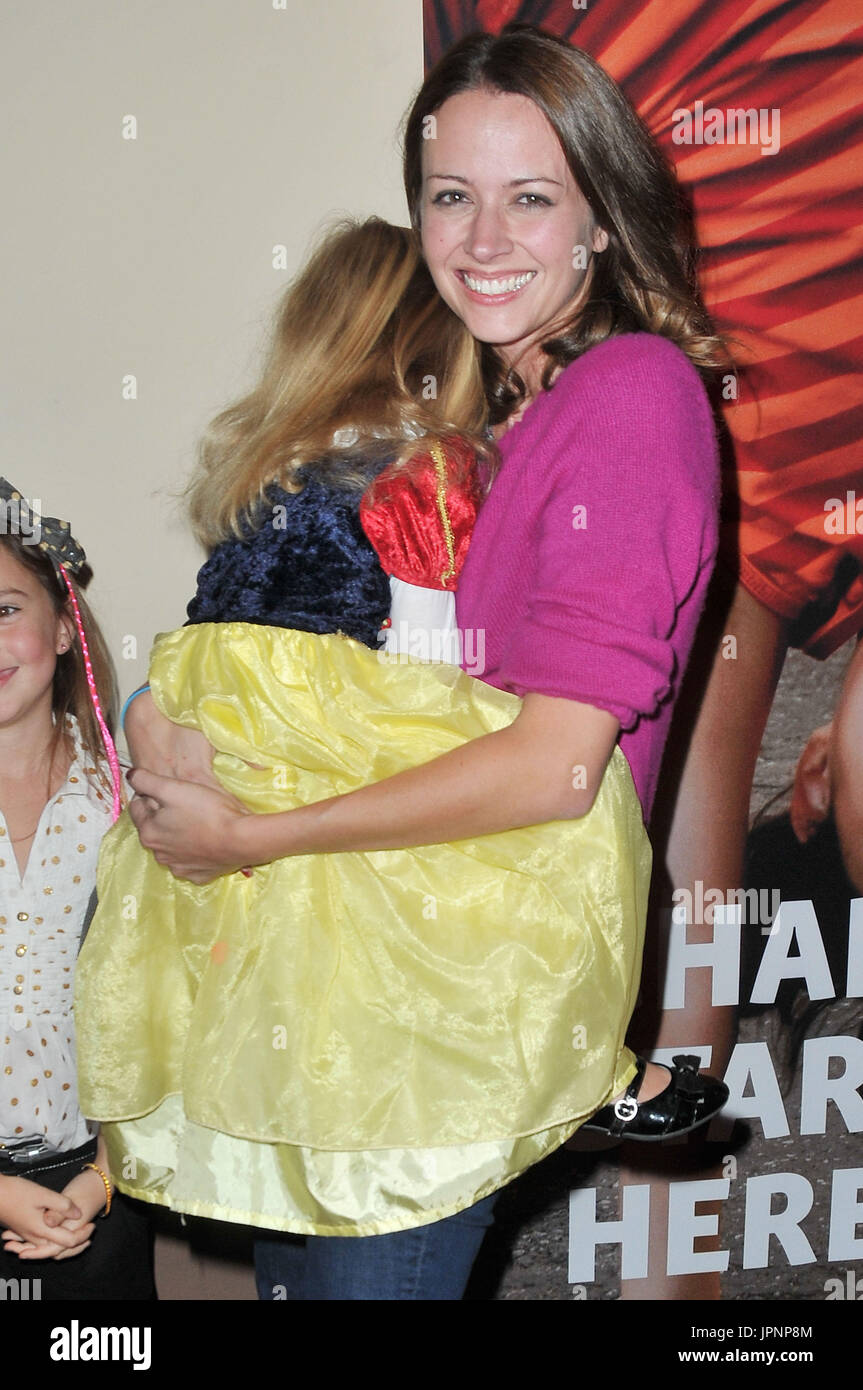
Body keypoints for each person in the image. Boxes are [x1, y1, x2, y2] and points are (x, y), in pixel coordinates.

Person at [81, 27, 729, 1299]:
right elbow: (316, 655)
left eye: (531, 198)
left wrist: (252, 840)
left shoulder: (631, 395)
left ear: (603, 218)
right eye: (450, 196)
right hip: (358, 996)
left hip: (446, 1010)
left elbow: (551, 770)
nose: (482, 240)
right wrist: (160, 717)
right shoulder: (488, 427)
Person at [0, 487, 154, 1299]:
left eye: (3, 608)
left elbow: (178, 1018)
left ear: (62, 626)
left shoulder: (132, 808)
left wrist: (98, 1184)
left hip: (99, 1196)